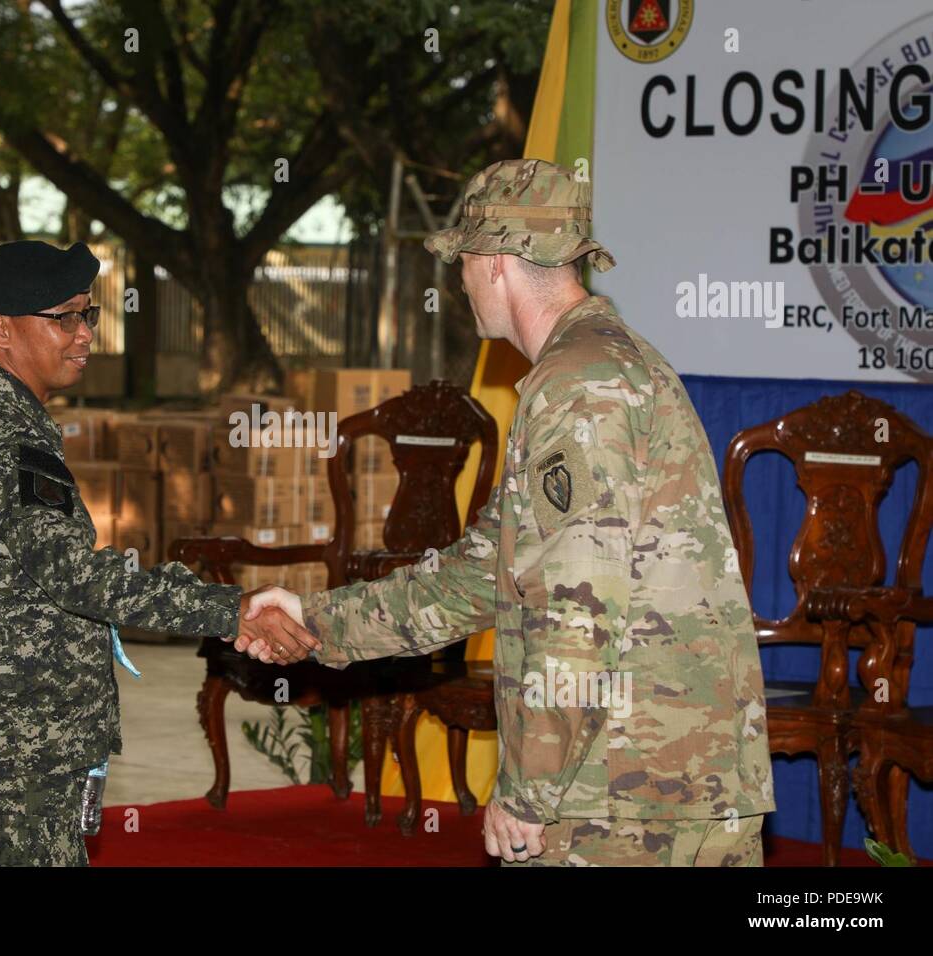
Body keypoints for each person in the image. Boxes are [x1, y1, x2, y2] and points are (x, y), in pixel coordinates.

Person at [241, 159, 775, 867]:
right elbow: (477, 573)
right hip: (646, 780)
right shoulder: (589, 368)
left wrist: (532, 789)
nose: (458, 280)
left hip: (628, 793)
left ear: (493, 261)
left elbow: (575, 610)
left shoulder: (579, 386)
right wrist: (316, 620)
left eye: (461, 261)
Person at [0, 239, 315, 866]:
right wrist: (229, 609)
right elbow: (75, 577)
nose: (83, 335)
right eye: (62, 317)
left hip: (20, 735)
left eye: (87, 314)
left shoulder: (3, 418)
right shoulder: (1, 434)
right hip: (7, 749)